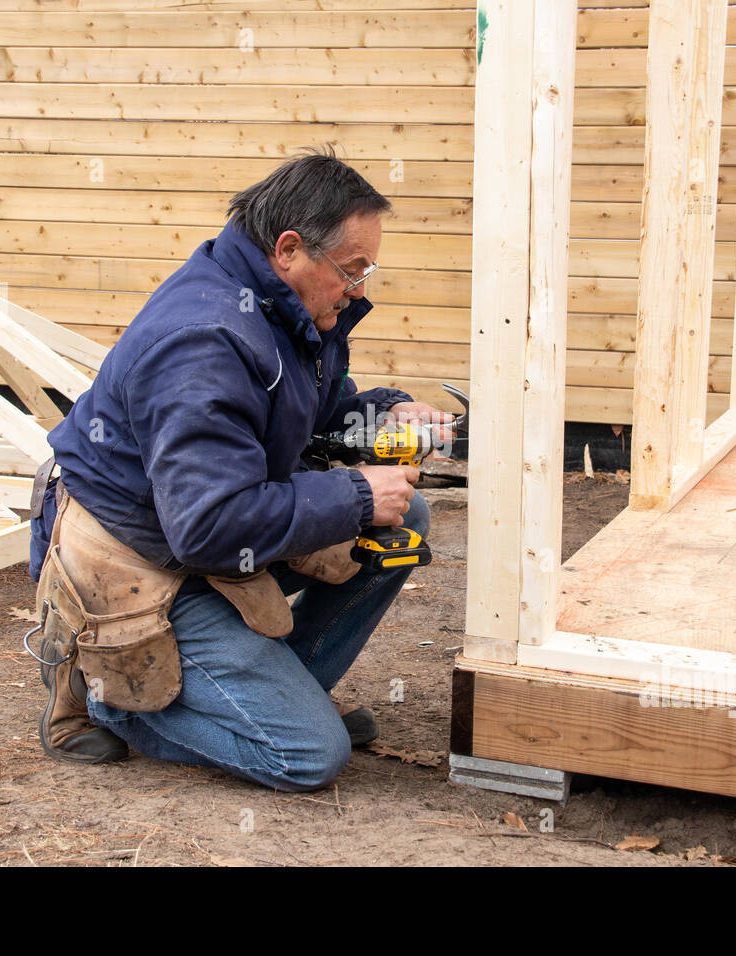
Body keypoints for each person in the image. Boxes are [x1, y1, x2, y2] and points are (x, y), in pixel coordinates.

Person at [26, 149, 453, 792]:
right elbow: (210, 525)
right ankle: (111, 698)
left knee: (405, 518)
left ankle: (282, 692)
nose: (361, 287)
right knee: (307, 755)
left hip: (197, 532)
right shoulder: (204, 339)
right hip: (142, 557)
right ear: (288, 249)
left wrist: (385, 415)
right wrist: (357, 495)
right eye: (353, 268)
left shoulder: (285, 308)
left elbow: (315, 410)